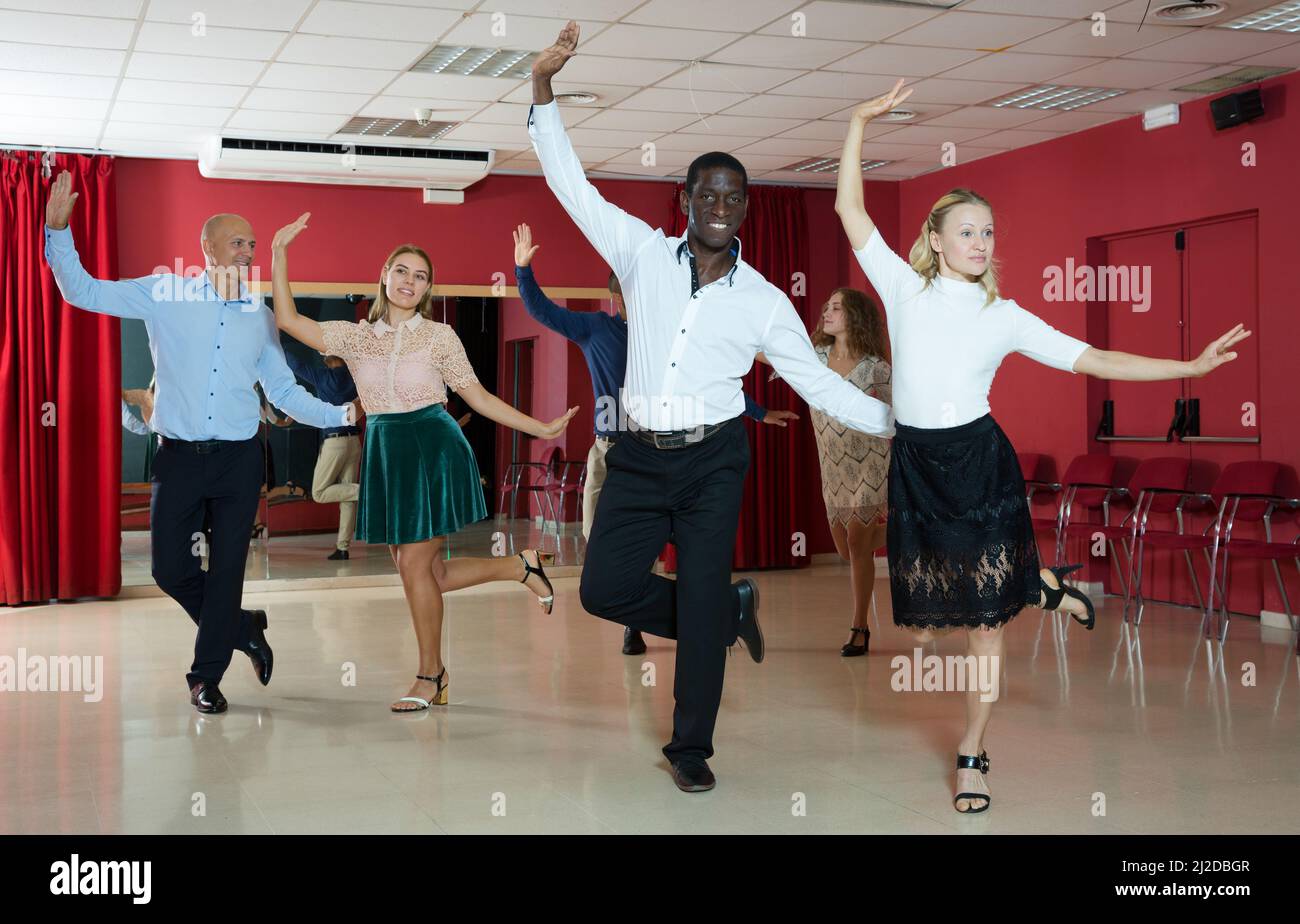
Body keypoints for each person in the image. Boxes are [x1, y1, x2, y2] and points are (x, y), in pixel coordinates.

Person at [836, 79, 1253, 814]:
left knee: (984, 629)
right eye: (966, 231)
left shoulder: (1008, 316)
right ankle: (1040, 584)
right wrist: (859, 121)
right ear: (935, 240)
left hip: (978, 461)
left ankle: (973, 755)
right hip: (916, 466)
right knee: (948, 610)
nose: (980, 243)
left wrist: (1186, 367)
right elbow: (848, 207)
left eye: (988, 232)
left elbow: (1096, 358)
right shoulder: (903, 289)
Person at [530, 22, 895, 793]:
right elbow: (571, 184)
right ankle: (722, 617)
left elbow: (819, 384)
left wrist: (897, 423)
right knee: (603, 590)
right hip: (636, 454)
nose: (721, 206)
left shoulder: (763, 300)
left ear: (746, 209)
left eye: (735, 197)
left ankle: (690, 745)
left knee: (695, 590)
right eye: (708, 193)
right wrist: (542, 86)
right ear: (685, 199)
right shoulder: (637, 252)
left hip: (713, 460)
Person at [43, 171, 360, 715]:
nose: (246, 252)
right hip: (180, 457)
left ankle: (204, 678)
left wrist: (342, 412)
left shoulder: (259, 319)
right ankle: (242, 627)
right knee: (170, 568)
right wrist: (58, 232)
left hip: (239, 460)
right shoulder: (164, 294)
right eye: (235, 242)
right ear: (206, 247)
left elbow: (284, 391)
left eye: (252, 245)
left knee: (229, 568)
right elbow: (84, 291)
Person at [270, 212, 578, 713]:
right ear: (384, 276)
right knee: (423, 571)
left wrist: (539, 427)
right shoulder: (354, 337)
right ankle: (522, 565)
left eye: (421, 276)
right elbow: (288, 320)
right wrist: (280, 255)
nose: (410, 282)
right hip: (387, 449)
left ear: (429, 287)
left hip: (434, 446)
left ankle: (430, 674)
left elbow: (477, 397)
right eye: (402, 271)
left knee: (415, 565)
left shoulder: (440, 337)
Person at [512, 221, 798, 657]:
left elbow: (718, 384)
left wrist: (758, 413)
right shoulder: (594, 330)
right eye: (632, 293)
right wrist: (522, 271)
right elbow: (542, 311)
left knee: (660, 547)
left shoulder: (671, 337)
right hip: (609, 452)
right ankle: (708, 616)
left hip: (662, 453)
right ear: (617, 297)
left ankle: (647, 625)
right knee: (601, 546)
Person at [792, 289, 893, 656]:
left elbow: (903, 406)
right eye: (827, 305)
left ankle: (859, 627)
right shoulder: (814, 358)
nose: (827, 310)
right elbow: (774, 356)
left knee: (855, 543)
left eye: (837, 307)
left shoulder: (875, 367)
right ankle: (905, 530)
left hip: (869, 464)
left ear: (855, 316)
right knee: (848, 551)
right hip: (832, 468)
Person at [284, 350, 362, 560]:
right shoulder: (355, 375)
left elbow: (294, 363)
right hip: (354, 441)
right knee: (347, 496)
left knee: (319, 492)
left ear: (329, 357)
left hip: (334, 442)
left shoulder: (321, 376)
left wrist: (276, 338)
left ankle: (369, 491)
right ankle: (343, 548)